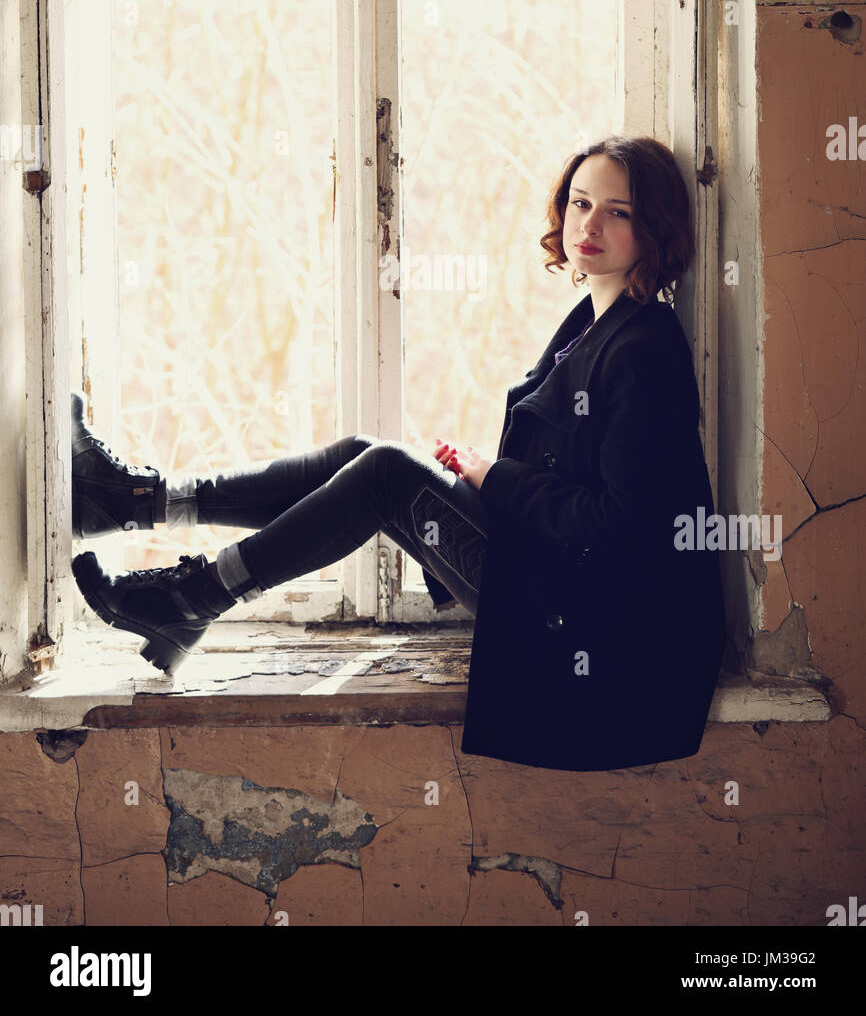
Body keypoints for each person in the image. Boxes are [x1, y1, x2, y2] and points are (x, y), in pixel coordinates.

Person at [71, 133, 726, 772]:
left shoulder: (645, 349)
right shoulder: (596, 318)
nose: (590, 224)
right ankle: (137, 501)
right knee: (367, 453)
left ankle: (194, 597)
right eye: (581, 202)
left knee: (387, 473)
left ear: (656, 229)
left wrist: (493, 476)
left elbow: (619, 523)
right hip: (555, 579)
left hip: (591, 632)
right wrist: (483, 474)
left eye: (620, 213)